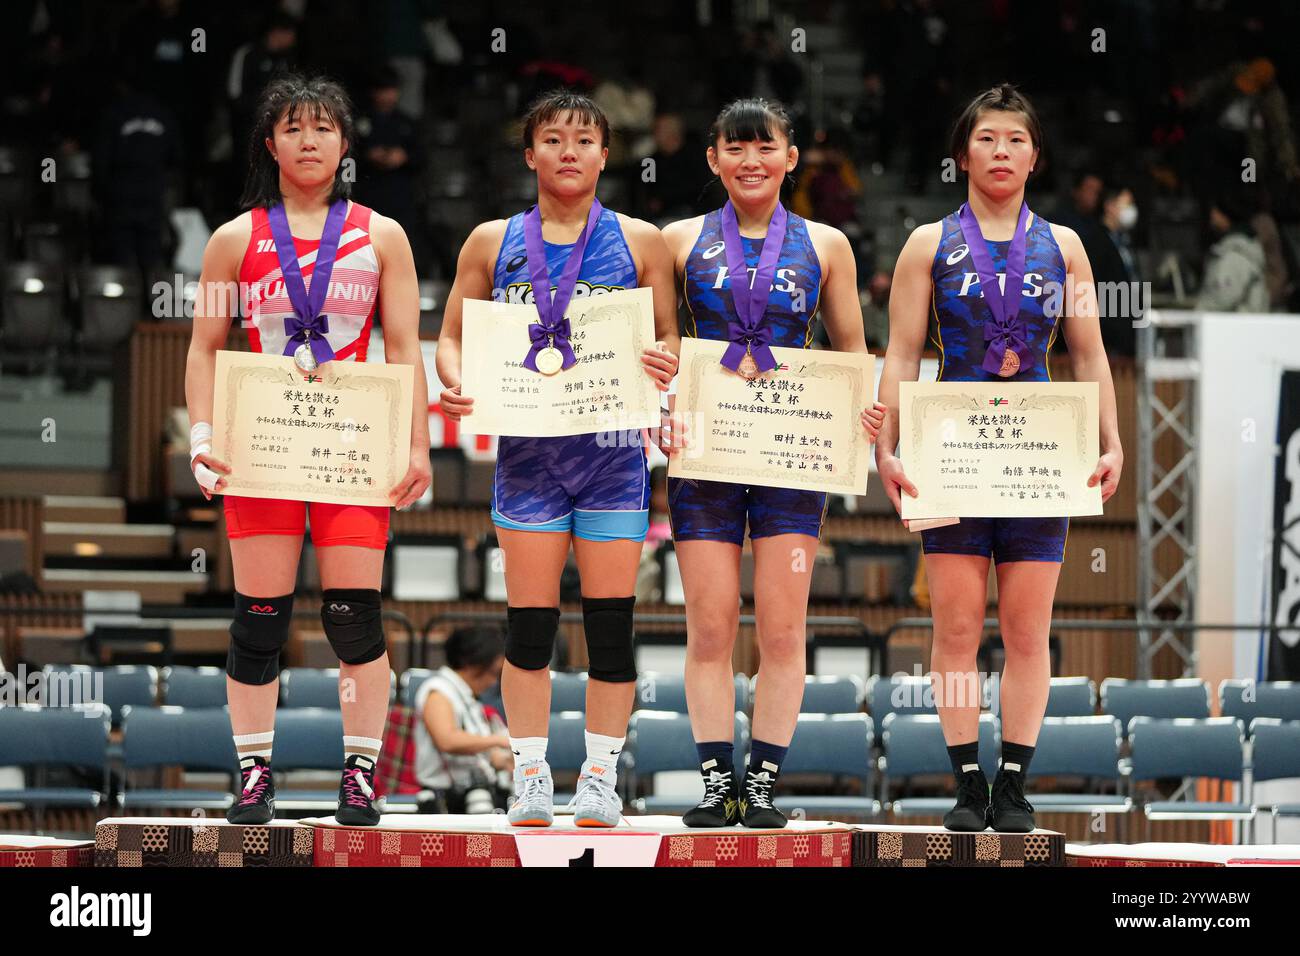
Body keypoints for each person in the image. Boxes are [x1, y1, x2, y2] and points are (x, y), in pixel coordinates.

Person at [184, 74, 432, 827]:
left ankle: (359, 776)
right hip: (261, 449)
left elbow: (404, 348)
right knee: (259, 620)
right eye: (292, 128)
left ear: (345, 143)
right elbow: (202, 348)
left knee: (353, 618)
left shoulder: (381, 234)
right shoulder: (236, 239)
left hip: (352, 451)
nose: (308, 140)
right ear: (271, 144)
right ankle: (254, 774)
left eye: (323, 127)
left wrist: (415, 445)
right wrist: (201, 438)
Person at [875, 84, 1123, 833]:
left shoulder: (1066, 247)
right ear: (962, 155)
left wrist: (1111, 440)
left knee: (1025, 629)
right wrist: (886, 444)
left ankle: (1013, 782)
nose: (1002, 152)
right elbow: (901, 352)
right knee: (954, 629)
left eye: (1016, 140)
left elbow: (1091, 354)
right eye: (987, 139)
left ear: (1035, 156)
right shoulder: (927, 243)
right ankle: (965, 782)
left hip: (1040, 457)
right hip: (951, 454)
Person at [435, 90, 680, 827]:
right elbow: (450, 335)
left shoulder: (642, 240)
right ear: (529, 153)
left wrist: (664, 360)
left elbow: (668, 333)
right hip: (529, 461)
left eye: (584, 140)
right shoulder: (489, 240)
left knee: (611, 627)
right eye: (552, 139)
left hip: (612, 456)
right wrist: (453, 378)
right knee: (530, 629)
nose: (568, 151)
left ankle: (601, 777)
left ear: (606, 155)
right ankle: (532, 774)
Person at [660, 98, 886, 828]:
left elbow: (851, 348)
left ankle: (760, 783)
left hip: (792, 454)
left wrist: (866, 410)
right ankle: (714, 782)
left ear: (791, 158)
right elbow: (661, 345)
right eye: (736, 147)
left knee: (785, 630)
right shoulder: (677, 239)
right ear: (713, 159)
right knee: (711, 626)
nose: (750, 159)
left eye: (766, 147)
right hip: (707, 452)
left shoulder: (827, 245)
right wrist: (660, 398)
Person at [414, 625, 513, 813]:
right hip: (445, 801)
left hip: (474, 792)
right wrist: (499, 740)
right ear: (472, 663)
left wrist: (505, 761)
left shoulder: (467, 696)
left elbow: (477, 751)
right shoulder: (438, 691)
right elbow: (447, 740)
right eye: (493, 673)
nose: (493, 682)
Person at [1196, 190, 1269, 313]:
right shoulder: (1241, 248)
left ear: (1226, 216)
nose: (1212, 216)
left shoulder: (1235, 255)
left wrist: (1195, 316)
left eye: (1216, 211)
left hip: (1235, 329)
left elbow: (1222, 299)